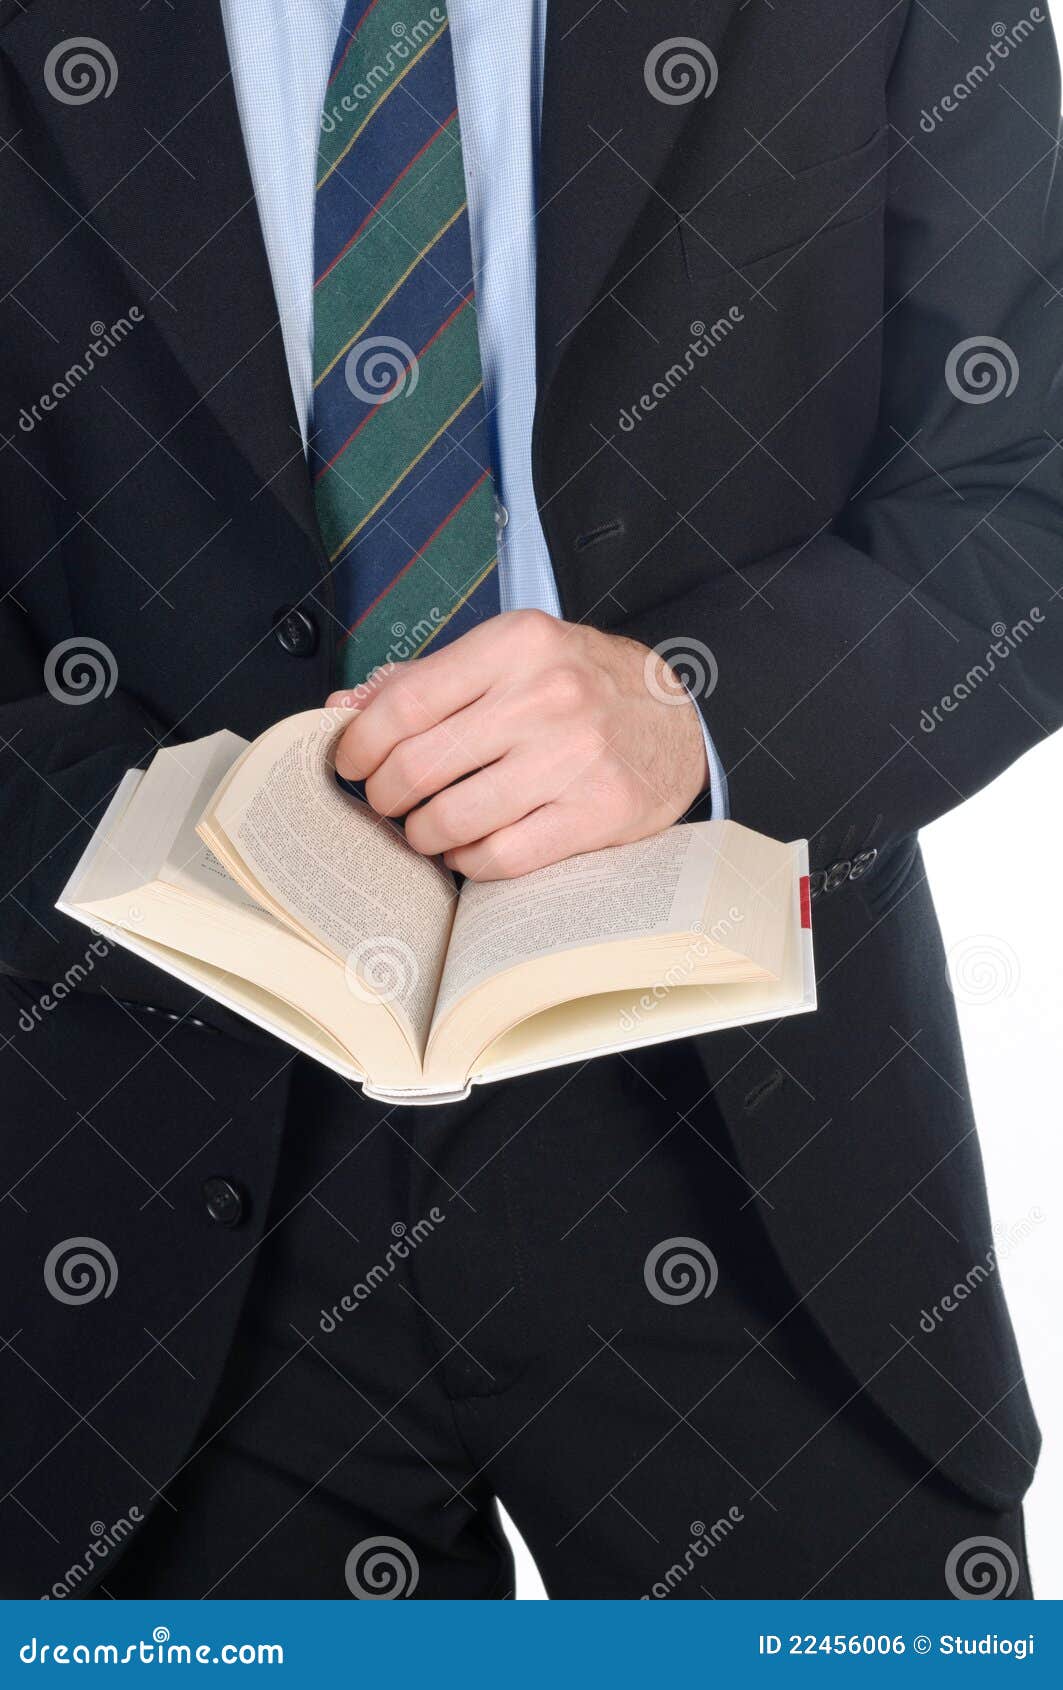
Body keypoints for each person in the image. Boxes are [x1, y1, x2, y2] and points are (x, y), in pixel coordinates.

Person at [0, 0, 1058, 1599]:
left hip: (757, 1170)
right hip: (138, 1207)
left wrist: (697, 711)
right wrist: (159, 837)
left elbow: (1025, 487)